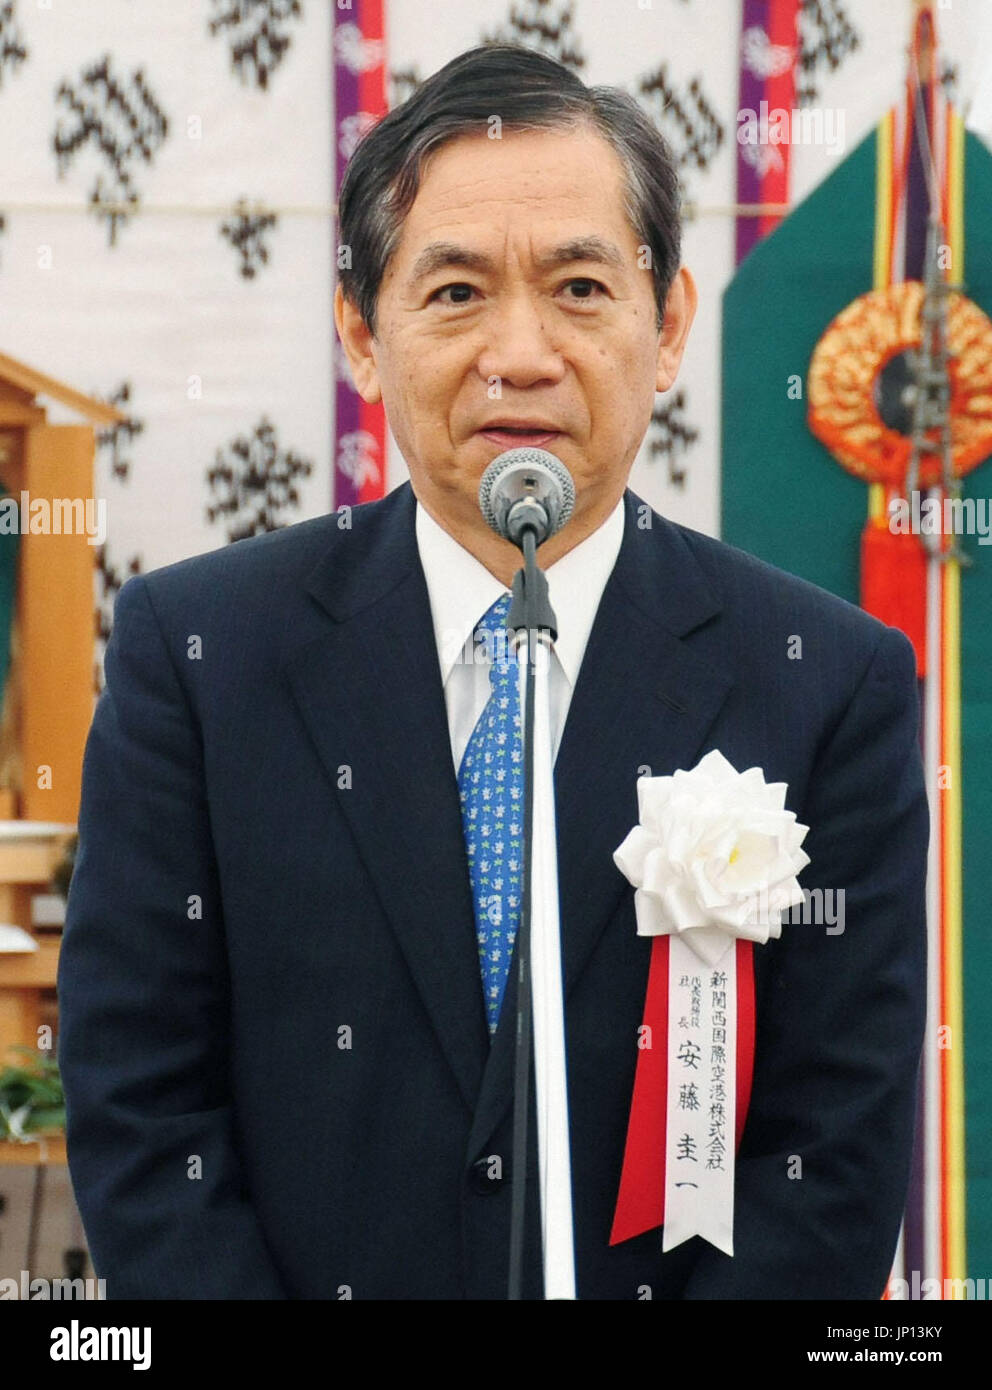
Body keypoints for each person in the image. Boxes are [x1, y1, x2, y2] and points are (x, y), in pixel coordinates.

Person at [57, 44, 927, 1300]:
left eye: (578, 287)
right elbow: (143, 1114)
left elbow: (832, 1156)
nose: (518, 355)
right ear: (363, 331)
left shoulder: (828, 684)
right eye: (454, 293)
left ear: (666, 321)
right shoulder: (195, 659)